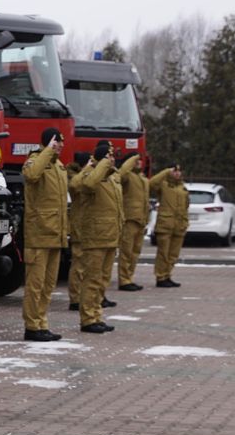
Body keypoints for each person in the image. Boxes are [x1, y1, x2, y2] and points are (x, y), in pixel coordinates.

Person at [20, 128, 71, 342]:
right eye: (56, 141)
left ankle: (41, 322)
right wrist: (47, 151)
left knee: (49, 284)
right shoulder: (35, 160)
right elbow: (31, 175)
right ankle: (32, 325)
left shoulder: (59, 166)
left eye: (61, 142)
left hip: (55, 234)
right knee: (36, 284)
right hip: (39, 233)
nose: (59, 145)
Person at [69, 142, 122, 334]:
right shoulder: (89, 175)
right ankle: (87, 318)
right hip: (95, 236)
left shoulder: (112, 176)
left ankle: (97, 315)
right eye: (108, 156)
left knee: (102, 280)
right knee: (91, 279)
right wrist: (97, 165)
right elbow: (86, 184)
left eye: (112, 156)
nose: (112, 159)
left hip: (110, 235)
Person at [148, 164, 190, 288]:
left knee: (173, 254)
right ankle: (160, 277)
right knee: (163, 253)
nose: (177, 173)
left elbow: (186, 205)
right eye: (174, 171)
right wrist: (166, 171)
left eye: (179, 171)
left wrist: (185, 221)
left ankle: (167, 275)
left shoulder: (183, 187)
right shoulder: (163, 184)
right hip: (165, 224)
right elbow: (151, 184)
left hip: (179, 224)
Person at [114, 153, 151, 291]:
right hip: (129, 218)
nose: (139, 163)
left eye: (140, 161)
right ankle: (123, 279)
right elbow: (121, 173)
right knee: (126, 251)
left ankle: (129, 277)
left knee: (135, 252)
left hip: (140, 219)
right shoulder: (127, 176)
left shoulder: (142, 178)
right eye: (136, 161)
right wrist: (131, 159)